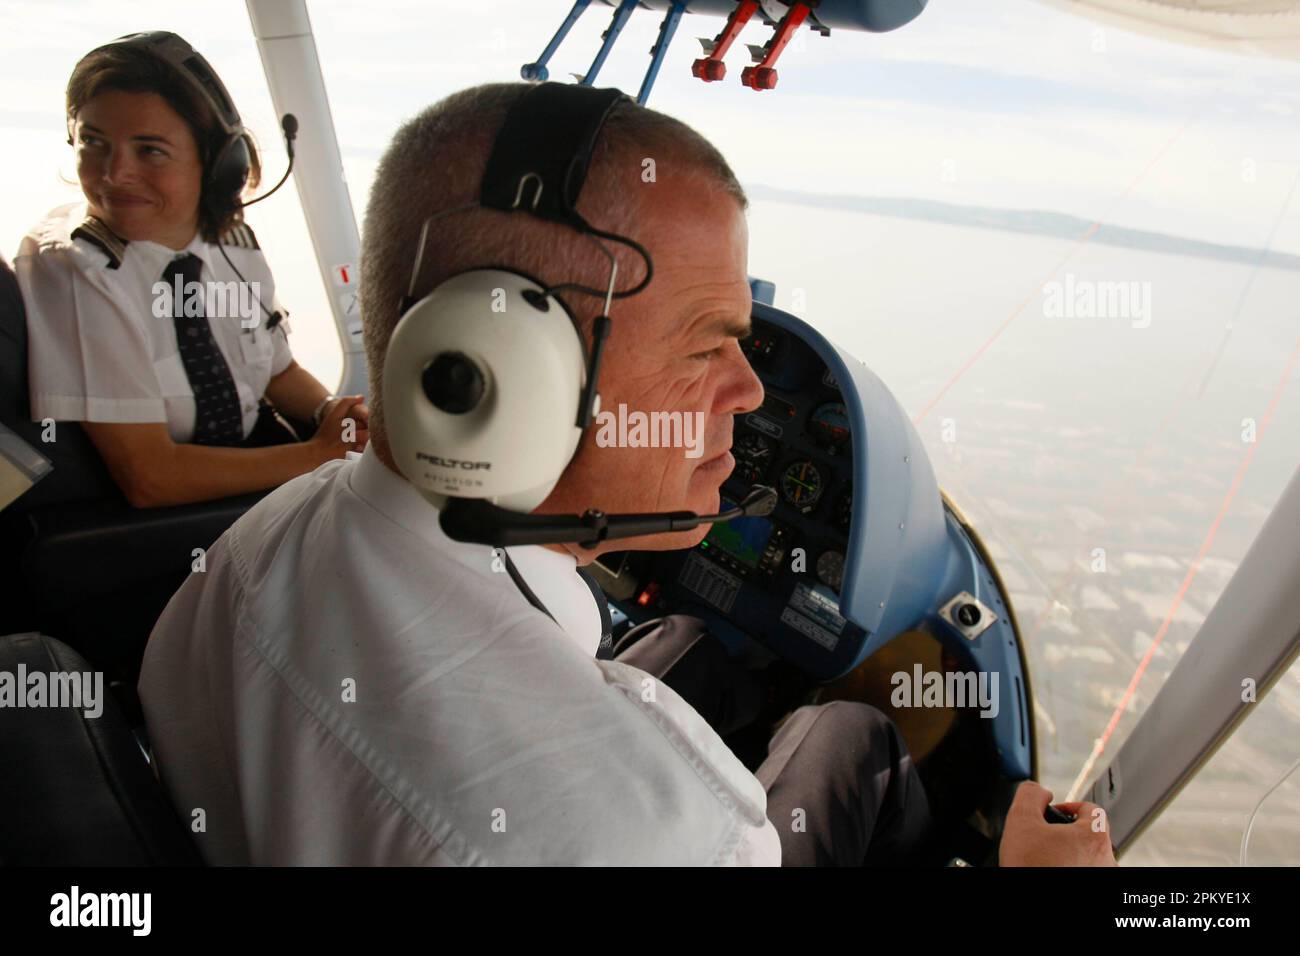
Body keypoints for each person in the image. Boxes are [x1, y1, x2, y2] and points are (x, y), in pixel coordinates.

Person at [138, 82, 1116, 866]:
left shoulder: (268, 529)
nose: (743, 390)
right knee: (850, 731)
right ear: (515, 372)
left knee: (694, 634)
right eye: (708, 345)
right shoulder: (653, 834)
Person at [14, 32, 367, 509]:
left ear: (218, 164)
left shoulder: (230, 244)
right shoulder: (78, 266)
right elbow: (150, 478)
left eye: (150, 150)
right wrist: (317, 455)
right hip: (178, 514)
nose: (114, 173)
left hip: (260, 464)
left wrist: (337, 416)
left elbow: (277, 372)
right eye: (94, 142)